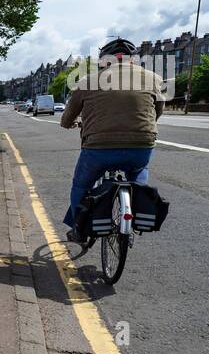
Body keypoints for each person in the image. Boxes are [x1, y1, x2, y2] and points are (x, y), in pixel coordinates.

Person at [60, 38, 165, 243]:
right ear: (133, 60)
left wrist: (69, 123)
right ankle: (135, 204)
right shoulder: (153, 78)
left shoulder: (87, 81)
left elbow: (67, 118)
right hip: (141, 145)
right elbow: (157, 112)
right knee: (138, 172)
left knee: (81, 185)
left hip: (98, 148)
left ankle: (78, 229)